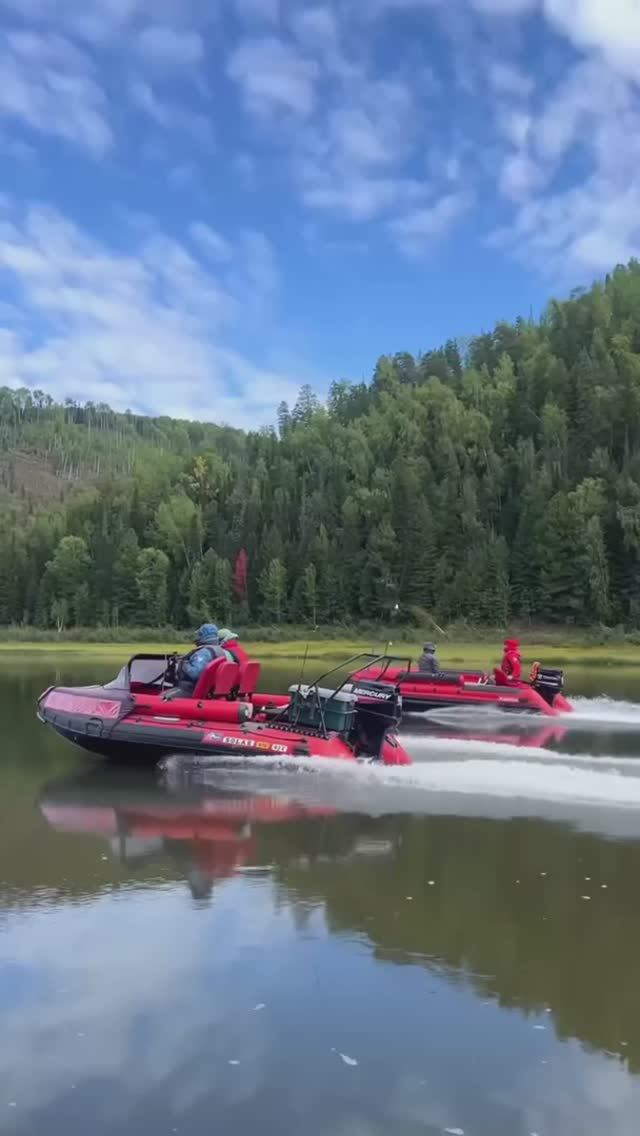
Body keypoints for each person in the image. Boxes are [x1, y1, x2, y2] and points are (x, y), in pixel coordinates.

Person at [164, 623, 226, 699]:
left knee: (162, 698)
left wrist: (182, 663)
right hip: (207, 691)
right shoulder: (220, 651)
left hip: (189, 689)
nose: (198, 637)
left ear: (203, 635)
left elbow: (194, 673)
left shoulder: (204, 653)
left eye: (199, 635)